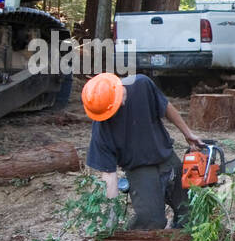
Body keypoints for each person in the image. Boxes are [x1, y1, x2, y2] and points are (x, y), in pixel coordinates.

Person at [81, 71, 203, 230]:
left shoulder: (141, 84)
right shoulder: (102, 129)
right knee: (151, 222)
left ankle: (179, 234)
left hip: (165, 155)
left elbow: (165, 106)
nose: (122, 105)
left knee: (191, 214)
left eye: (120, 101)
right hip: (139, 168)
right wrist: (112, 216)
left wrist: (188, 133)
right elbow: (109, 175)